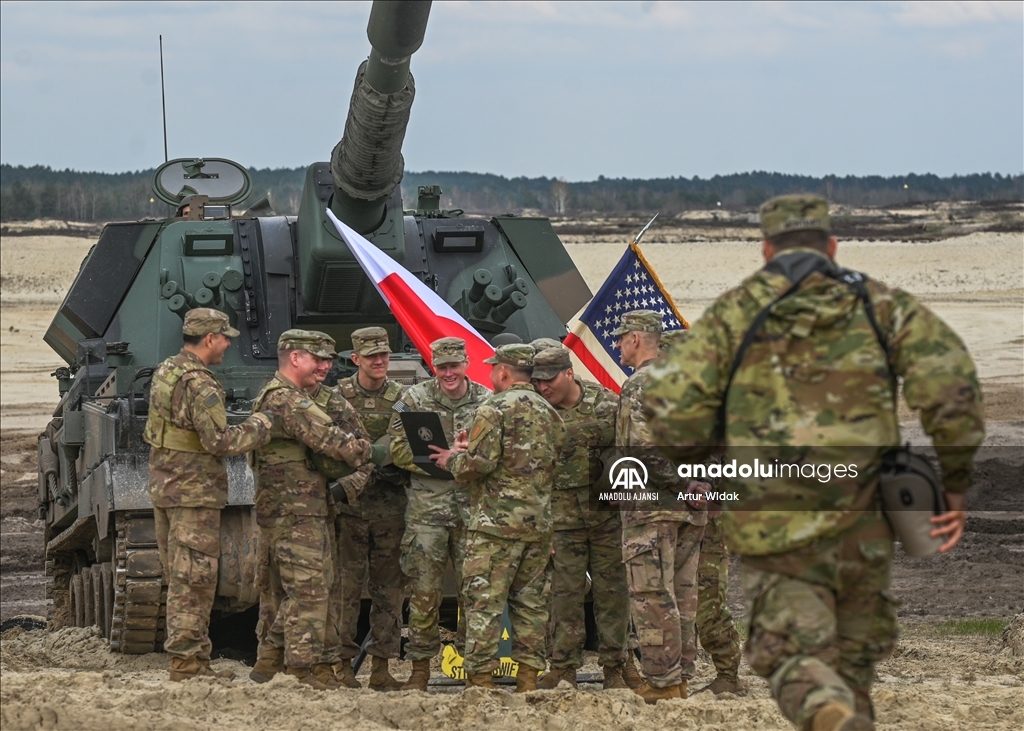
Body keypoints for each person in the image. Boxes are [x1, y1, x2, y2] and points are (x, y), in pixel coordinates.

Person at [644, 194, 984, 731]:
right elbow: (952, 388)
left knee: (790, 650)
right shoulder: (879, 304)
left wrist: (703, 454)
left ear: (765, 250)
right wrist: (957, 484)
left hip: (774, 517)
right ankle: (845, 710)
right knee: (853, 655)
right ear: (831, 246)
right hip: (864, 513)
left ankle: (826, 712)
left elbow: (666, 406)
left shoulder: (735, 313)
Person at [144, 308, 273, 681]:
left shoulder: (167, 371)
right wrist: (260, 425)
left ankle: (193, 660)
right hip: (194, 494)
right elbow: (218, 442)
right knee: (194, 581)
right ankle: (187, 665)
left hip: (167, 487)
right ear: (209, 339)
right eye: (224, 337)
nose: (229, 344)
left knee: (179, 577)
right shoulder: (202, 384)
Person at [249, 329, 380, 690]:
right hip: (294, 511)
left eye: (328, 360)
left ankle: (275, 660)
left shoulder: (289, 397)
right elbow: (339, 442)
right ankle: (300, 672)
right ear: (295, 358)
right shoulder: (288, 400)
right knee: (307, 592)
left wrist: (344, 486)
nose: (325, 366)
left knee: (308, 589)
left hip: (302, 508)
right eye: (317, 358)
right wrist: (377, 452)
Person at [432, 344, 565, 692]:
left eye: (493, 368)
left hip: (494, 527)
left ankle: (480, 681)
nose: (490, 374)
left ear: (504, 371)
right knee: (532, 606)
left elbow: (479, 465)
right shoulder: (549, 411)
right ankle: (527, 681)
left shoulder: (493, 408)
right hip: (537, 527)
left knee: (484, 605)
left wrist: (453, 459)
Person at [530, 345, 640, 690]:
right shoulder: (537, 410)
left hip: (607, 515)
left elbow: (631, 450)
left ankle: (615, 667)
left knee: (613, 593)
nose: (543, 387)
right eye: (537, 381)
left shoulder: (606, 404)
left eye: (549, 380)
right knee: (565, 594)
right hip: (560, 519)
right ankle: (562, 666)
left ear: (568, 373)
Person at [387, 337, 492, 691]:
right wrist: (444, 458)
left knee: (476, 592)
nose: (448, 373)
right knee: (423, 592)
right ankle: (419, 670)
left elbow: (497, 452)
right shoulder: (415, 400)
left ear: (466, 363)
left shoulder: (486, 401)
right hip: (428, 512)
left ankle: (477, 671)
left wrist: (464, 456)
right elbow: (397, 449)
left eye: (454, 365)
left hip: (472, 512)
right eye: (441, 366)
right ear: (434, 366)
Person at [614, 309, 707, 703]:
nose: (618, 345)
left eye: (621, 339)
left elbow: (643, 450)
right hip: (691, 509)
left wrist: (681, 483)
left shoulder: (639, 386)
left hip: (652, 507)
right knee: (682, 595)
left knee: (651, 595)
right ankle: (680, 678)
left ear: (636, 339)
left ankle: (664, 682)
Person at [657, 329, 744, 696]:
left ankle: (728, 673)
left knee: (706, 599)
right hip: (672, 518)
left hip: (710, 520)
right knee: (671, 599)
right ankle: (676, 674)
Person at [329, 327, 408, 690]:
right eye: (371, 356)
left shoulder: (403, 398)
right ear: (355, 359)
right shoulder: (337, 398)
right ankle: (341, 666)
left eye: (384, 355)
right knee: (344, 591)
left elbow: (412, 445)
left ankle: (381, 667)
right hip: (350, 511)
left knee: (388, 592)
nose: (379, 362)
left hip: (391, 509)